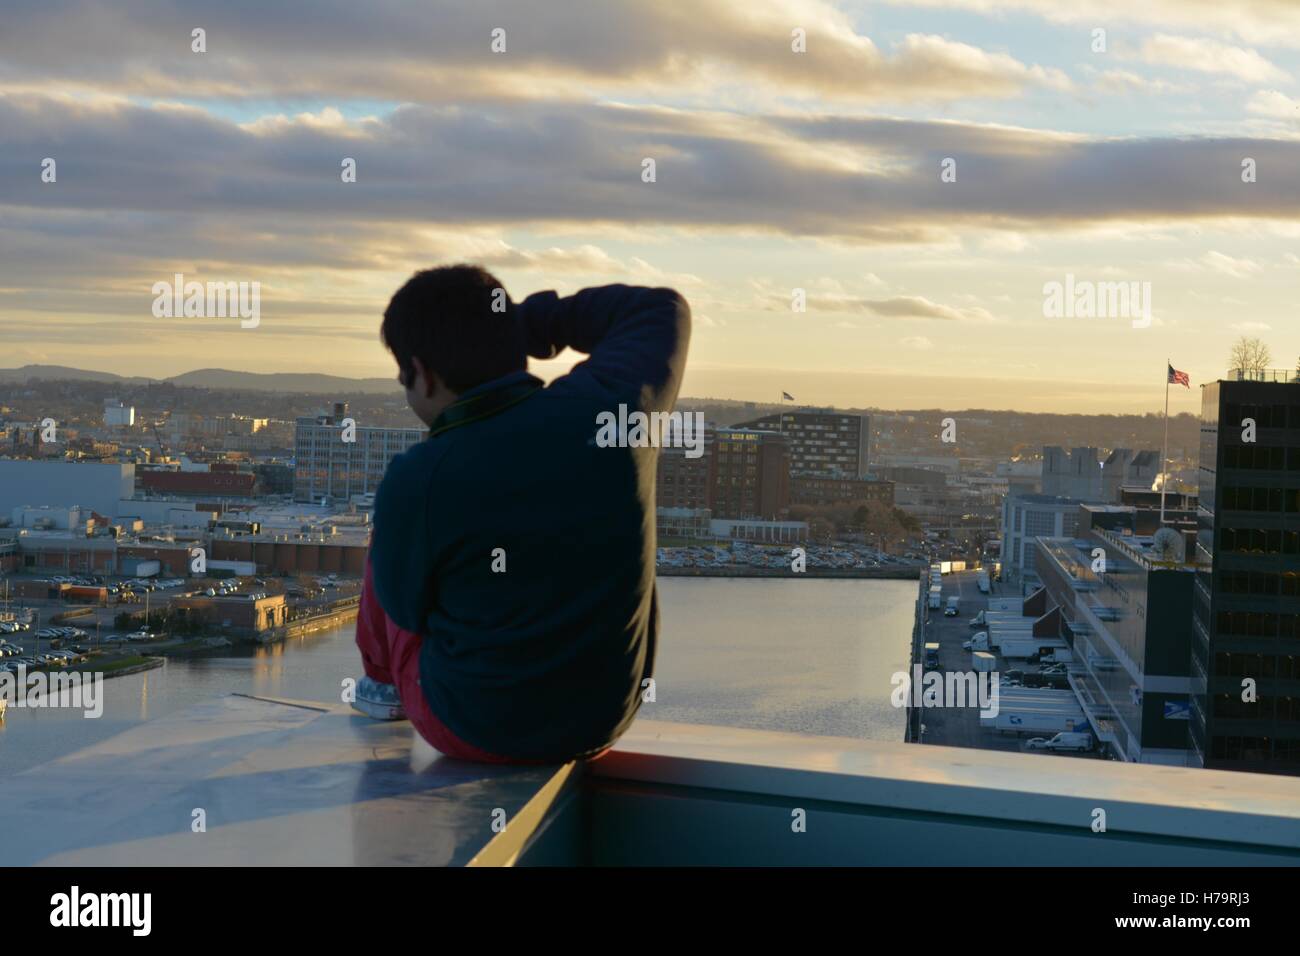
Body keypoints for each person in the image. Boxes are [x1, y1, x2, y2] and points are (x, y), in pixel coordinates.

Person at [352, 264, 690, 764]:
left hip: (473, 726)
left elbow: (406, 612)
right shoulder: (613, 410)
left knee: (394, 539)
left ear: (421, 374)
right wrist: (516, 325)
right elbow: (660, 308)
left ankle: (382, 688)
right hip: (603, 717)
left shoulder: (419, 477)